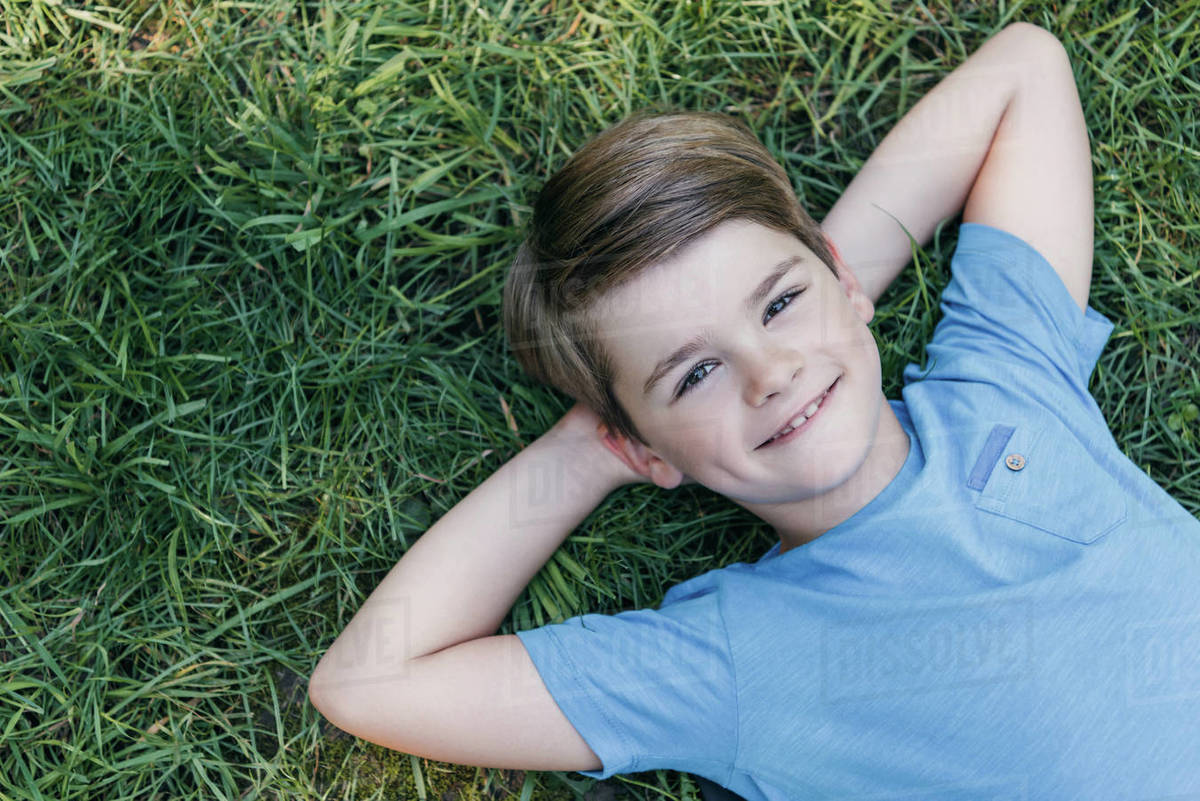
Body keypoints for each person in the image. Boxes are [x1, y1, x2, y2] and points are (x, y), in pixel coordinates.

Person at [308, 22, 1200, 799]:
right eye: (693, 375)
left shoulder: (1006, 375)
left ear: (843, 276)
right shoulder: (733, 662)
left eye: (778, 304)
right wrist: (591, 451)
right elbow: (369, 681)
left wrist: (832, 299)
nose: (769, 373)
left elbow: (1025, 73)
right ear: (647, 447)